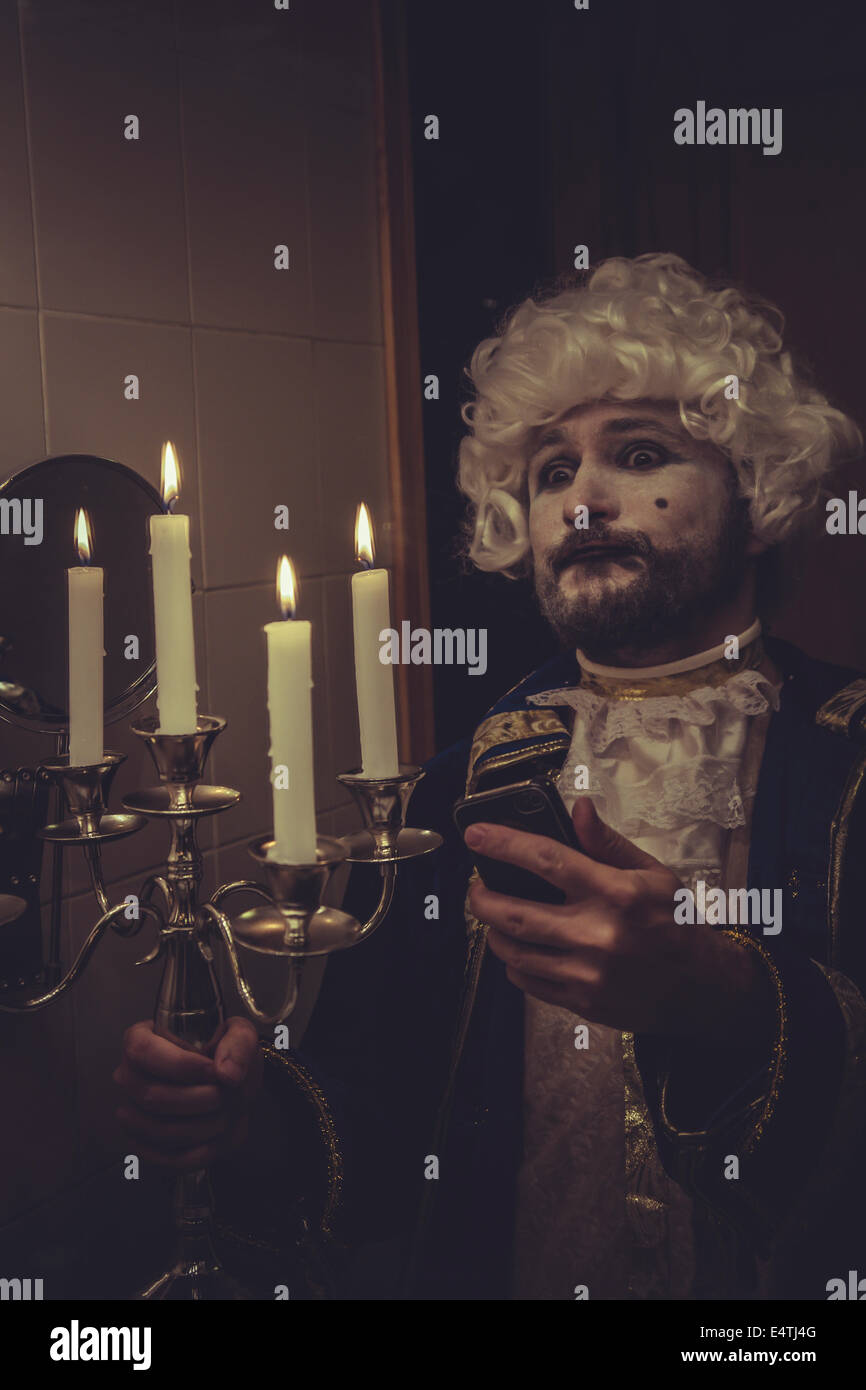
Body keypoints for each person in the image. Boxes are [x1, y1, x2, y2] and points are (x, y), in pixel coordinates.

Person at [116, 253, 866, 1300]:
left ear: (751, 489)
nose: (584, 501)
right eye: (551, 471)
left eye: (638, 453)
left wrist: (731, 1001)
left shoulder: (849, 764)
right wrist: (250, 1119)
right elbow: (372, 1113)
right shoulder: (447, 793)